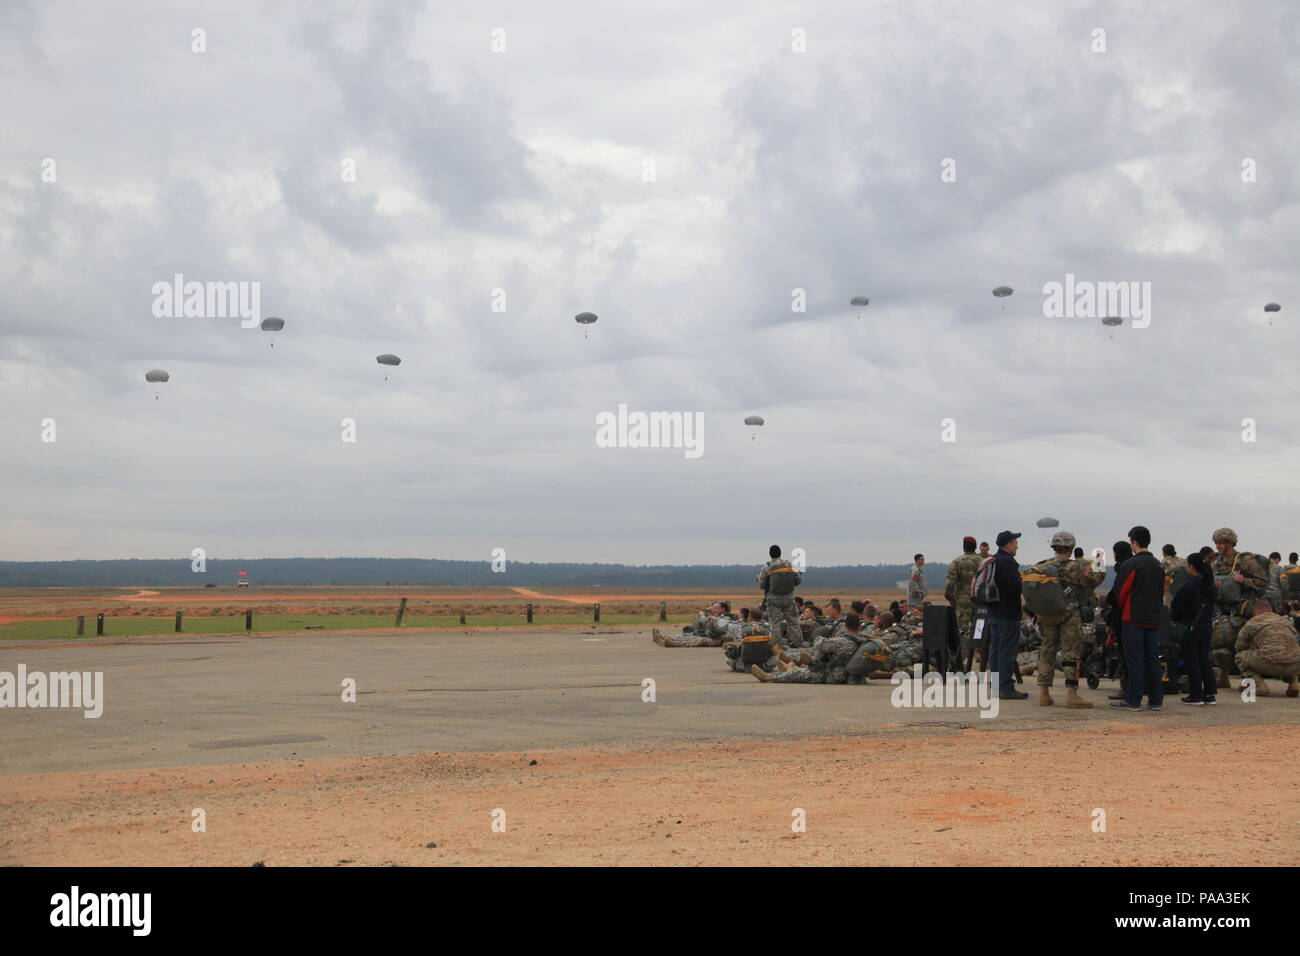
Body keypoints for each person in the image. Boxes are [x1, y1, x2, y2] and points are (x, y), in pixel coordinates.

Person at [1031, 531, 1106, 708]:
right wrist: (1099, 560)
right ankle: (1072, 695)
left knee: (1047, 649)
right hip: (1068, 613)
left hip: (1045, 614)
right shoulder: (1075, 567)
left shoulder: (1041, 566)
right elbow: (1095, 579)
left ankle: (1044, 694)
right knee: (1070, 653)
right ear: (1071, 548)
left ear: (1054, 547)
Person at [1109, 525, 1165, 711]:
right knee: (1153, 659)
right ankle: (1156, 700)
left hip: (1133, 618)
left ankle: (1133, 700)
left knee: (1135, 660)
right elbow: (1161, 591)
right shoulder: (1158, 564)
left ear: (1134, 542)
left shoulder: (1131, 564)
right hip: (1154, 618)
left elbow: (1121, 593)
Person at [1209, 528, 1268, 688]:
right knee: (1218, 644)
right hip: (1221, 611)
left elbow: (1262, 583)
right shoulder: (1216, 563)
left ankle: (1250, 679)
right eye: (1216, 543)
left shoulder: (1245, 561)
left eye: (1221, 543)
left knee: (1244, 646)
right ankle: (1223, 675)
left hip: (1243, 610)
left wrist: (1244, 580)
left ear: (1230, 543)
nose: (1218, 546)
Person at [751, 612, 862, 684]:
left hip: (833, 675)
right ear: (859, 626)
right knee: (802, 669)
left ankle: (769, 677)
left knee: (798, 675)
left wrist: (819, 636)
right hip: (845, 675)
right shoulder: (863, 640)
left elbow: (819, 644)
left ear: (846, 626)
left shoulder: (843, 641)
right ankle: (790, 666)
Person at [986, 530, 1027, 700]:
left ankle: (996, 684)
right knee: (1007, 651)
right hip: (1008, 613)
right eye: (1015, 542)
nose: (1017, 545)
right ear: (1008, 545)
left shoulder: (993, 560)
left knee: (995, 649)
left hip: (994, 611)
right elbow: (1015, 586)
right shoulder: (1008, 562)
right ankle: (1005, 687)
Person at [1172, 552, 1217, 705]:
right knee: (1204, 659)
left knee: (1191, 661)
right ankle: (1210, 693)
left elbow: (1177, 607)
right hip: (1206, 625)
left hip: (1190, 627)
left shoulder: (1189, 585)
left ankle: (1195, 694)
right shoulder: (1210, 585)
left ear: (1191, 566)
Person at [1234, 600, 1300, 696]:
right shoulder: (1284, 621)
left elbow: (1239, 646)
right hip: (1296, 663)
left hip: (1270, 661)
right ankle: (1293, 684)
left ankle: (1259, 685)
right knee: (1288, 653)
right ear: (1271, 609)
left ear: (1256, 610)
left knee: (1240, 657)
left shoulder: (1253, 622)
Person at [946, 536, 984, 669]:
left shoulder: (957, 562)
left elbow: (950, 584)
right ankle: (980, 653)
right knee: (980, 626)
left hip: (962, 601)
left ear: (964, 546)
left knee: (962, 629)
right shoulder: (982, 561)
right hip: (980, 600)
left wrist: (951, 599)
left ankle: (960, 659)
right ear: (975, 546)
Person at [1105, 540, 1135, 700]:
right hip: (1137, 615)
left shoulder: (1124, 568)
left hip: (1123, 616)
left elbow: (1116, 595)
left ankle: (1128, 688)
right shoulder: (1134, 565)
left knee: (1126, 653)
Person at [758, 545, 802, 646]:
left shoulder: (767, 567)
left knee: (775, 623)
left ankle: (777, 645)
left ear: (770, 554)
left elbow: (761, 585)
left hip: (773, 599)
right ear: (780, 553)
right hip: (788, 598)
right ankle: (797, 642)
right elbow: (798, 580)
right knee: (792, 621)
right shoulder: (789, 565)